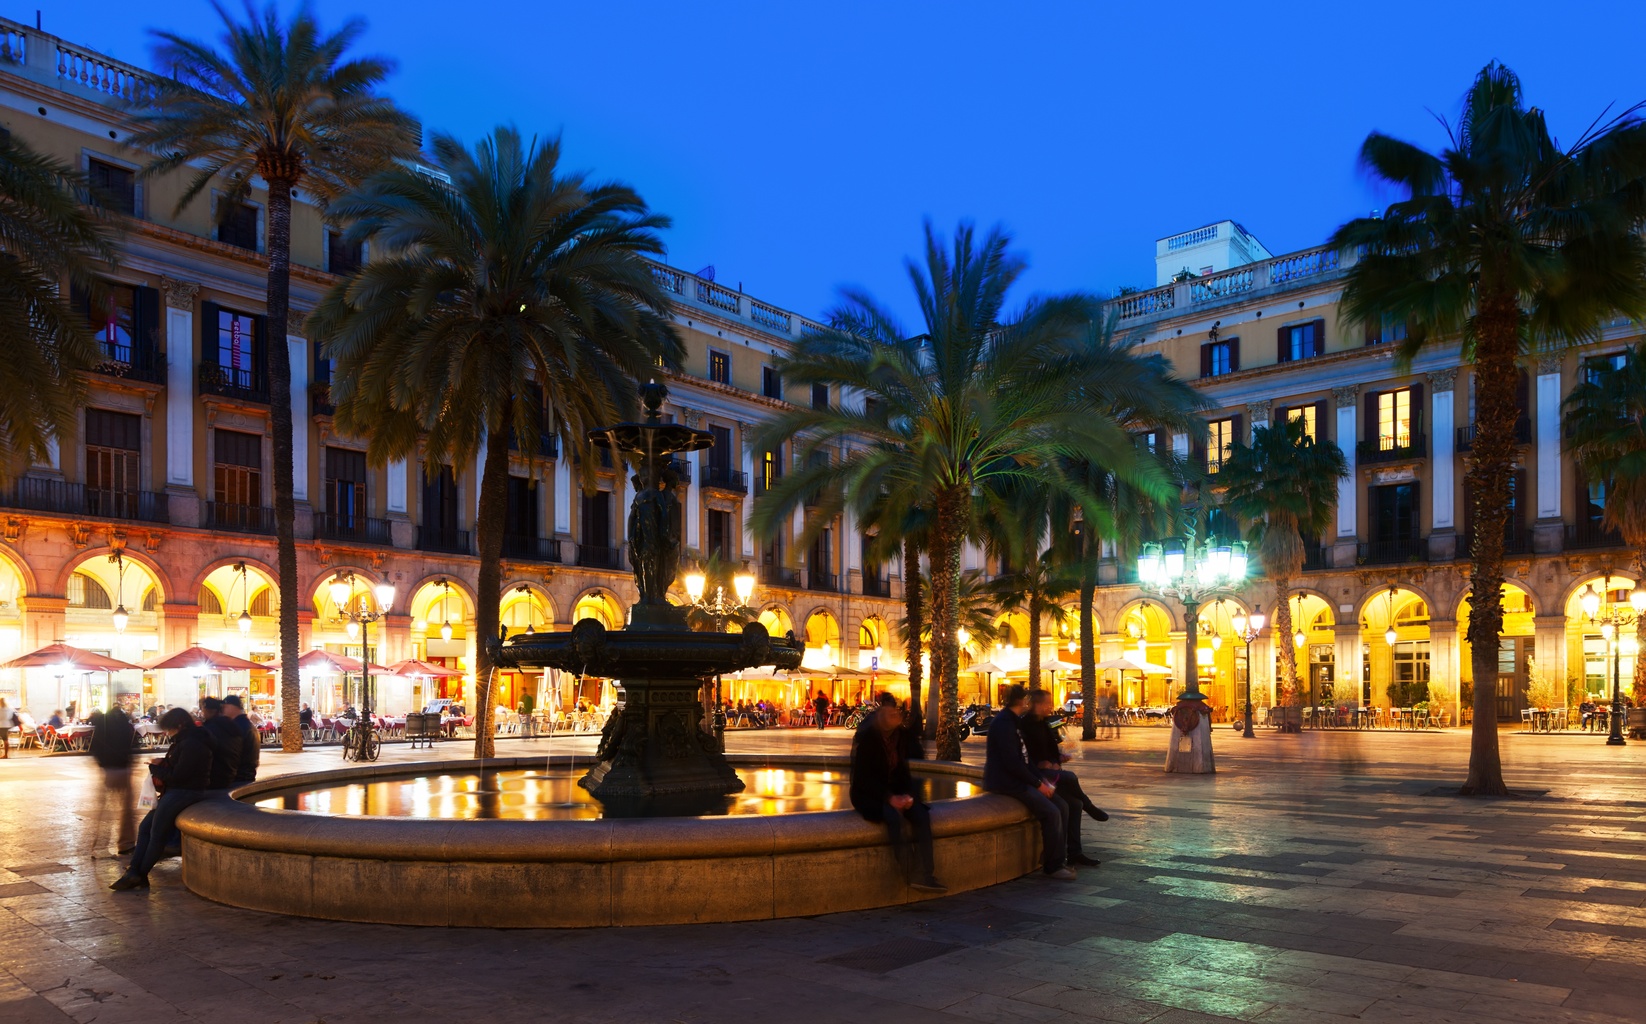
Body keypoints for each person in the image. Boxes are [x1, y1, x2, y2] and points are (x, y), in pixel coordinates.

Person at [850, 693, 945, 893]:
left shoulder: (899, 738)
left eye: (895, 714)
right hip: (870, 795)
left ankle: (926, 873)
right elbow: (862, 779)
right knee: (893, 818)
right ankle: (910, 872)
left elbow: (903, 771)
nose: (894, 717)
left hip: (895, 792)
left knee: (920, 815)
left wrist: (909, 796)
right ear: (880, 718)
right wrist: (889, 798)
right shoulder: (868, 740)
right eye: (889, 714)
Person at [111, 708, 214, 891]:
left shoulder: (192, 743)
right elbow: (179, 767)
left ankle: (138, 874)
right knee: (144, 828)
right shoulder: (184, 741)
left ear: (180, 725)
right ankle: (135, 870)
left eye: (169, 728)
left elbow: (180, 776)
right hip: (175, 790)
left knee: (157, 833)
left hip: (184, 791)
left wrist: (154, 769)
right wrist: (162, 763)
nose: (167, 732)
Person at [984, 684, 1075, 880]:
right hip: (1008, 782)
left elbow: (1025, 759)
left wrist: (1042, 781)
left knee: (1062, 805)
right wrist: (1037, 784)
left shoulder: (1014, 721)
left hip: (1020, 779)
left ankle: (1055, 856)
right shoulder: (1004, 724)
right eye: (1027, 699)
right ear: (1022, 701)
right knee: (1051, 812)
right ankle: (1053, 866)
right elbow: (1012, 763)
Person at [1020, 689, 1104, 868]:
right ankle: (1090, 806)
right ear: (1037, 704)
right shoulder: (1025, 725)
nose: (1050, 707)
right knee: (1071, 777)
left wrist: (1058, 759)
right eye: (1047, 703)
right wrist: (1042, 764)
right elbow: (1024, 755)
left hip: (1051, 772)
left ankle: (1075, 853)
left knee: (1075, 804)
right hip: (1037, 776)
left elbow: (1051, 748)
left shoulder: (1044, 723)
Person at [88, 706, 138, 856]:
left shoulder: (102, 727)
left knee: (104, 810)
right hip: (124, 769)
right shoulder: (125, 726)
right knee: (126, 810)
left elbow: (94, 747)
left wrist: (102, 764)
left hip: (108, 770)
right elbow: (133, 744)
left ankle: (99, 846)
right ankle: (125, 843)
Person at [197, 697, 243, 791]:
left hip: (214, 777)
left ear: (208, 710)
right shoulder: (231, 725)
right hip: (229, 775)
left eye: (203, 709)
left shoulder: (209, 729)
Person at [1165, 689, 1215, 773]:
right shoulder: (1198, 708)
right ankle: (1197, 767)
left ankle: (1176, 766)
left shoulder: (1186, 708)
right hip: (1188, 723)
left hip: (1189, 722)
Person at [221, 695, 259, 784]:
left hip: (239, 777)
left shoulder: (238, 727)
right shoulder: (245, 724)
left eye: (224, 707)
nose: (222, 710)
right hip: (245, 775)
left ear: (232, 707)